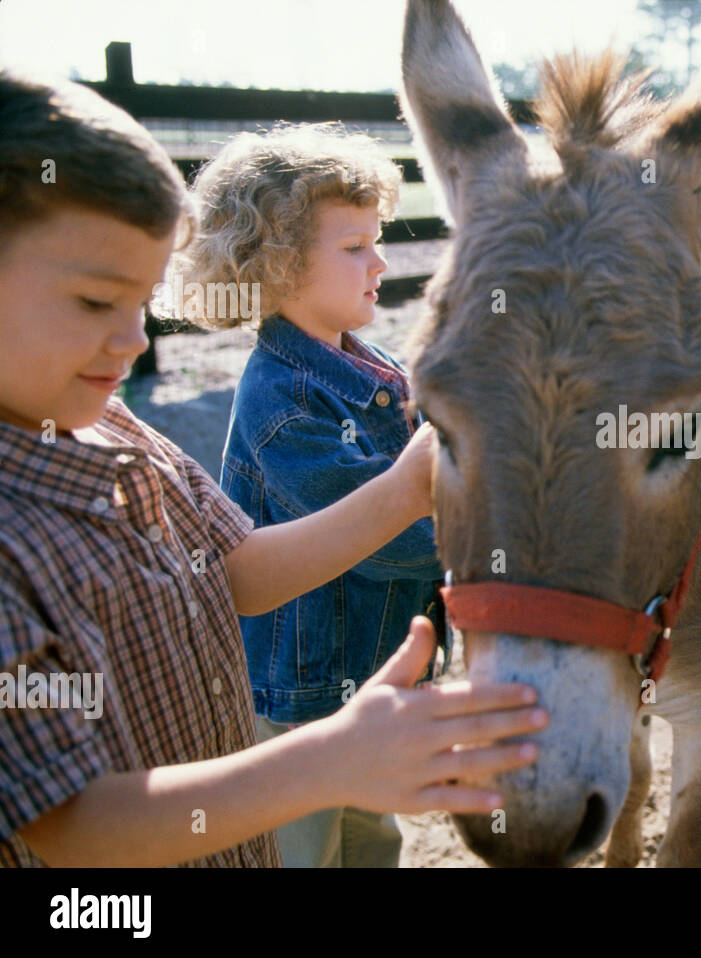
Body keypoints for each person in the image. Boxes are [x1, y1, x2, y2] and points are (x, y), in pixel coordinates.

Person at [0, 72, 546, 867]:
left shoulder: (120, 430)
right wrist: (325, 759)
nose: (129, 340)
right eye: (94, 303)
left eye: (142, 302)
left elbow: (240, 574)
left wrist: (421, 476)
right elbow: (71, 828)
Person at [179, 124, 444, 867]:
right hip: (301, 692)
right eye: (355, 247)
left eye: (377, 239)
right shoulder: (282, 401)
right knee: (303, 850)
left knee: (371, 837)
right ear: (280, 265)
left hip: (372, 665)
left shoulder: (378, 366)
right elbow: (389, 536)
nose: (381, 263)